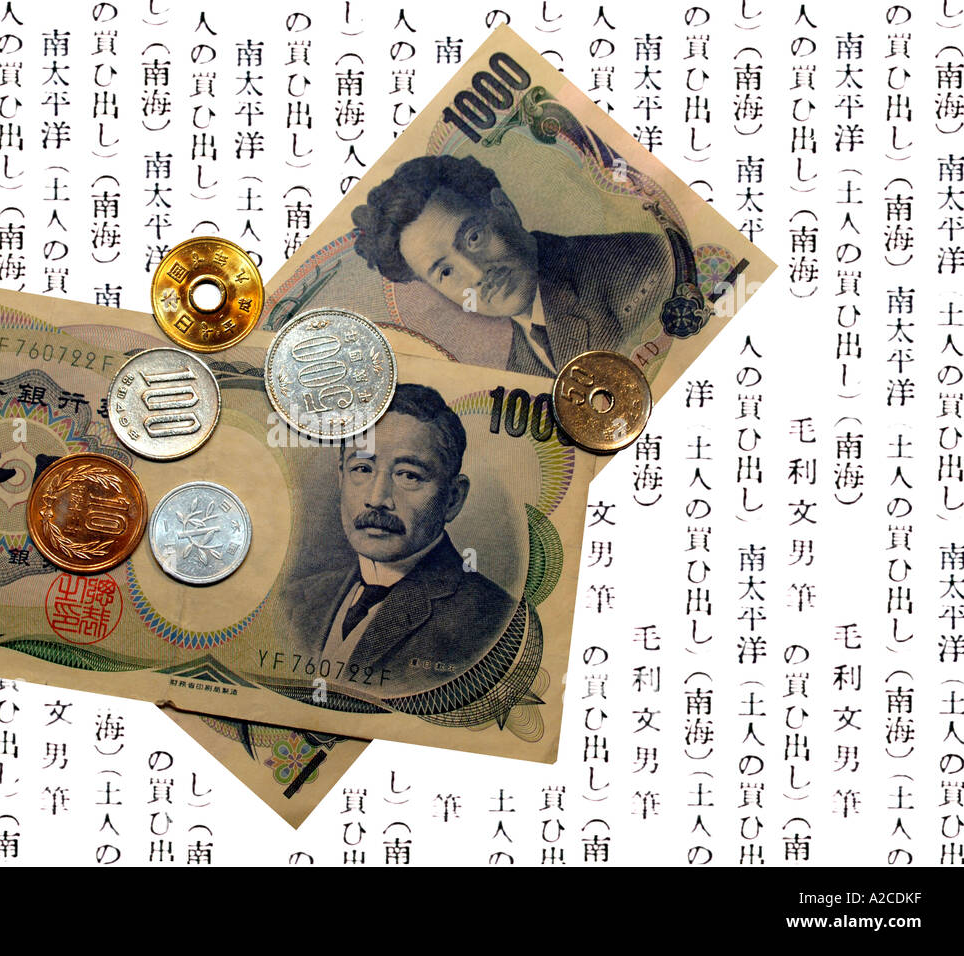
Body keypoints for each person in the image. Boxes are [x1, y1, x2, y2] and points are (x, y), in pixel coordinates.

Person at [352, 154, 674, 377]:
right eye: (446, 272)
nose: (478, 274)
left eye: (474, 237)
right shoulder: (521, 366)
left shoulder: (639, 270)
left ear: (505, 209)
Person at [285, 383, 516, 693]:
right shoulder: (297, 598)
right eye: (363, 468)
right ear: (341, 477)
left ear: (453, 499)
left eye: (409, 475)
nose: (377, 499)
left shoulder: (494, 622)